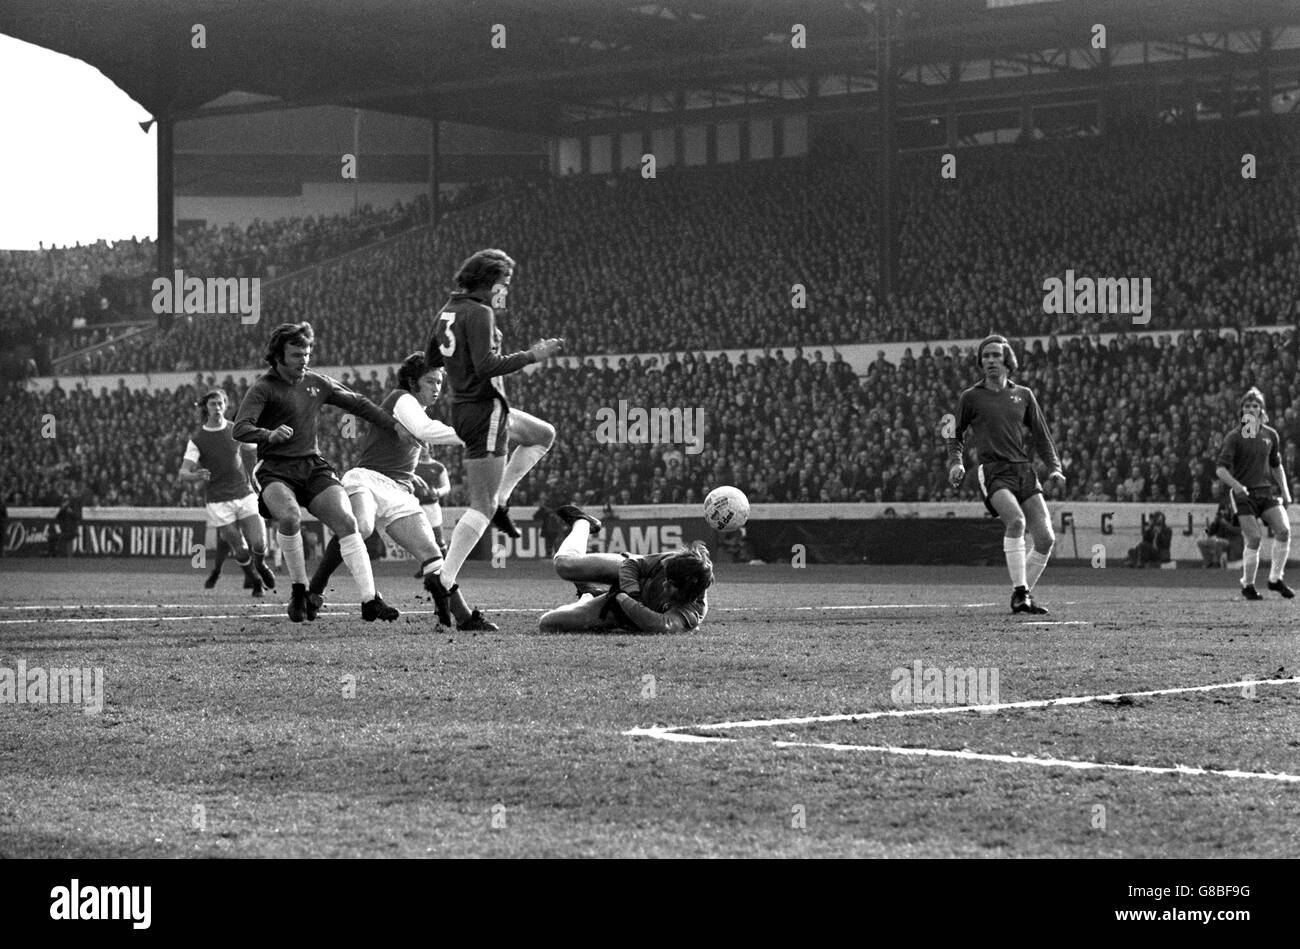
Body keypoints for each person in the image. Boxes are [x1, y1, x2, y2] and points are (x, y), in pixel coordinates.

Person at [233, 321, 419, 622]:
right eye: (296, 354)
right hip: (275, 470)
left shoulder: (317, 383)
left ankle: (370, 600)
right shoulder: (263, 387)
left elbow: (359, 404)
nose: (303, 360)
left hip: (312, 465)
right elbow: (240, 428)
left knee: (348, 522)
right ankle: (299, 590)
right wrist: (268, 435)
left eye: (307, 353)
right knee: (290, 516)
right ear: (278, 356)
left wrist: (396, 425)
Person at [306, 353, 497, 630]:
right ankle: (316, 588)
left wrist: (413, 476)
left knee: (433, 558)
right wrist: (474, 433)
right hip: (368, 480)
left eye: (440, 382)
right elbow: (424, 430)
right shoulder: (403, 399)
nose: (436, 388)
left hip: (399, 492)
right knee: (361, 527)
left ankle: (464, 618)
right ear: (412, 381)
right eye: (430, 381)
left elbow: (399, 450)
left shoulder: (415, 407)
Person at [423, 248, 563, 618]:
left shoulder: (448, 310)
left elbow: (432, 357)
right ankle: (444, 579)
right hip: (484, 411)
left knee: (543, 434)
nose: (506, 290)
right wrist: (533, 355)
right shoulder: (480, 311)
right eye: (505, 282)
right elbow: (487, 365)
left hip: (474, 408)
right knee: (480, 506)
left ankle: (502, 499)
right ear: (490, 281)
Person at [947, 334, 1065, 614]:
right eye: (985, 356)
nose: (990, 361)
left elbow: (1042, 436)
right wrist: (956, 462)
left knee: (1046, 539)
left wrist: (1055, 468)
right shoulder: (971, 397)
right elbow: (955, 434)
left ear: (1007, 361)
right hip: (993, 470)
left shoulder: (1023, 395)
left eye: (995, 356)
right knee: (1016, 522)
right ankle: (1021, 593)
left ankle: (1021, 595)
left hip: (1024, 470)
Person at [538, 505, 713, 633]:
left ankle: (589, 595)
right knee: (565, 565)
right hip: (631, 577)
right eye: (667, 578)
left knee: (548, 624)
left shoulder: (691, 612)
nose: (665, 584)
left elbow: (660, 626)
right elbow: (633, 564)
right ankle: (584, 523)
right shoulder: (671, 561)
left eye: (671, 584)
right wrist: (632, 593)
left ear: (687, 592)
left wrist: (624, 598)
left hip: (623, 611)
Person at [179, 388, 277, 596]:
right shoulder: (197, 440)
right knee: (239, 549)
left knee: (259, 543)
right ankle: (256, 580)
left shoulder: (237, 431)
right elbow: (183, 472)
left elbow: (257, 449)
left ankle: (260, 566)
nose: (217, 407)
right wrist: (195, 475)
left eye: (220, 403)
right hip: (218, 501)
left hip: (245, 493)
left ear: (226, 406)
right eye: (213, 404)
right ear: (206, 407)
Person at [1214, 387, 1293, 599]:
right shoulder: (1235, 437)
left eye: (1255, 406)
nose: (1251, 408)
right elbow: (1220, 469)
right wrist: (1237, 486)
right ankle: (1247, 585)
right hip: (1244, 495)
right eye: (1247, 406)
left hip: (1266, 492)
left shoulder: (1270, 435)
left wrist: (1285, 490)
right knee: (1255, 538)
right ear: (1241, 411)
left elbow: (1276, 465)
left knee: (1284, 531)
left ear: (1261, 411)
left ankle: (1275, 579)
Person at [1197, 481, 1241, 568]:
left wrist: (1226, 524)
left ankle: (1215, 563)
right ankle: (1208, 563)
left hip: (1231, 540)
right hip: (1218, 538)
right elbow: (1210, 532)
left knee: (1217, 542)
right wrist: (1207, 528)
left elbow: (1238, 531)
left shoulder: (1237, 514)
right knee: (1201, 542)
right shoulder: (1221, 513)